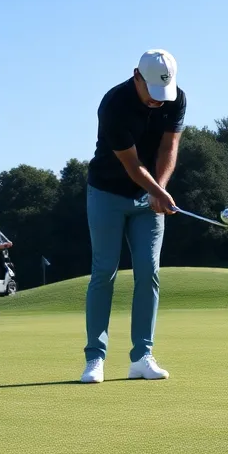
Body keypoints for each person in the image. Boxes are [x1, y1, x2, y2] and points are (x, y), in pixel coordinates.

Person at [81, 49, 185, 384]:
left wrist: (160, 188)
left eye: (162, 95)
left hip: (148, 198)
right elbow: (132, 164)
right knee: (104, 272)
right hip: (107, 194)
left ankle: (142, 356)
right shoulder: (113, 104)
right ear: (137, 76)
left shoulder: (175, 99)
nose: (158, 102)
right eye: (152, 93)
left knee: (148, 271)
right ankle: (95, 359)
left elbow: (169, 148)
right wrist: (156, 190)